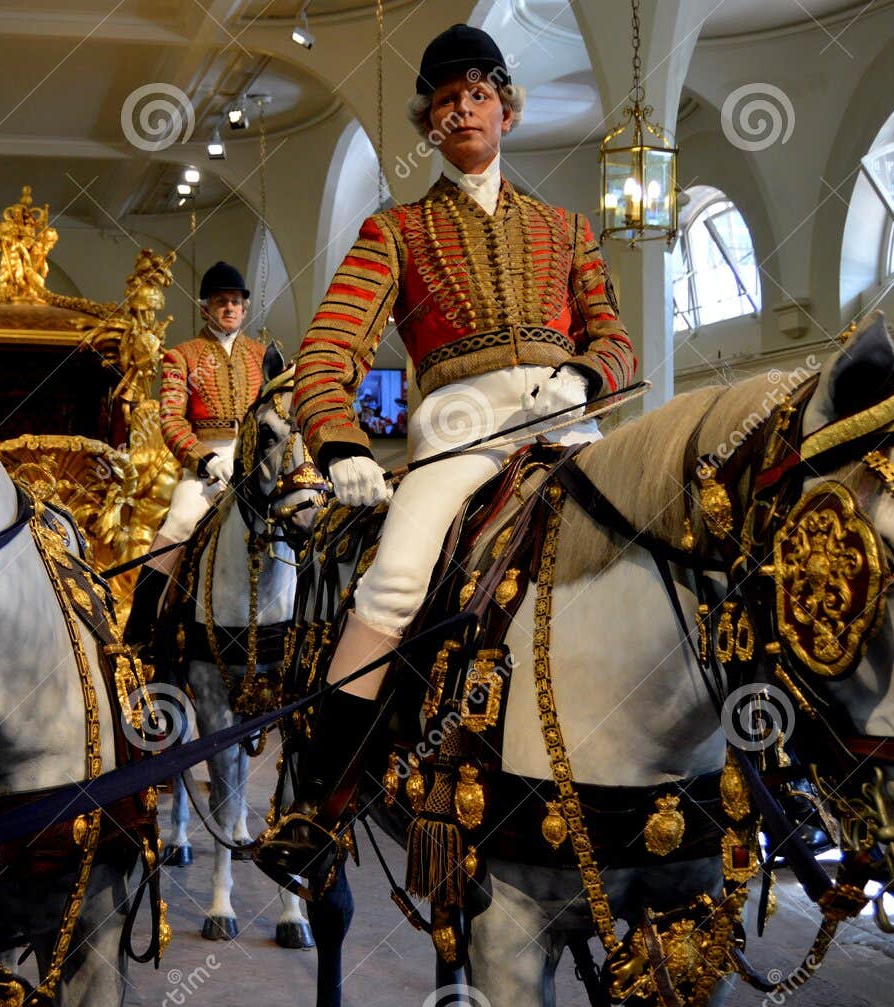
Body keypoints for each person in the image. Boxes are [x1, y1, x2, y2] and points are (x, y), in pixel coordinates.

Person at [259, 22, 638, 879]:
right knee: (394, 579)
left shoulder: (570, 228)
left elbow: (615, 337)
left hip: (568, 420)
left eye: (477, 95)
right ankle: (325, 802)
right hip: (461, 430)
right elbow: (328, 353)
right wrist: (343, 442)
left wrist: (586, 375)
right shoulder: (393, 231)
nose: (462, 109)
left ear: (505, 110)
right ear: (430, 125)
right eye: (444, 101)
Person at [125, 261, 268, 645]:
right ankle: (140, 628)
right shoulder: (181, 356)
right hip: (208, 463)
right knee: (179, 524)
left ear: (245, 307)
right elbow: (171, 420)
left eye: (235, 302)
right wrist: (205, 459)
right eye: (221, 302)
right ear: (205, 308)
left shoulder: (263, 354)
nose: (229, 308)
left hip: (257, 458)